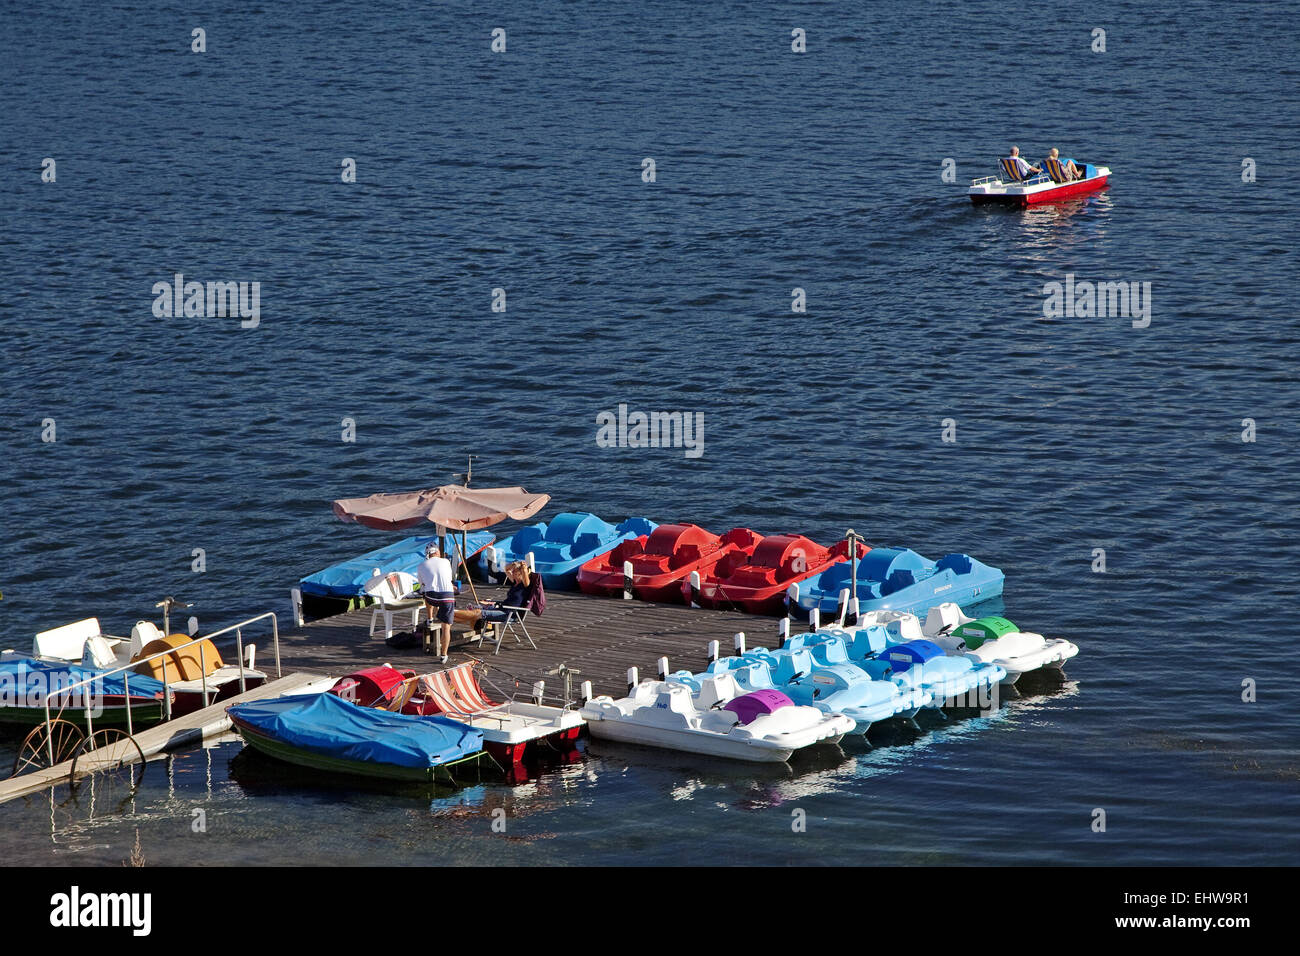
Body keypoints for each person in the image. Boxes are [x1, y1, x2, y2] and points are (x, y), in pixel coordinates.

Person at [455, 560, 542, 633]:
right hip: (502, 608)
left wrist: (523, 567)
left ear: (520, 573)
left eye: (515, 571)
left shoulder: (525, 585)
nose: (513, 572)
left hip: (509, 614)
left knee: (477, 613)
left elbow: (526, 577)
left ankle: (452, 613)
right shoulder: (515, 582)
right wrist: (513, 565)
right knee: (474, 614)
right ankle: (451, 616)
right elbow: (506, 569)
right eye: (514, 571)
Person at [416, 542, 455, 662]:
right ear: (438, 552)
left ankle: (430, 618)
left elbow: (422, 583)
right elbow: (449, 579)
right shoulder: (446, 562)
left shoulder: (421, 565)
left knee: (426, 593)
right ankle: (444, 655)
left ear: (427, 554)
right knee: (446, 627)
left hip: (432, 597)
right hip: (447, 597)